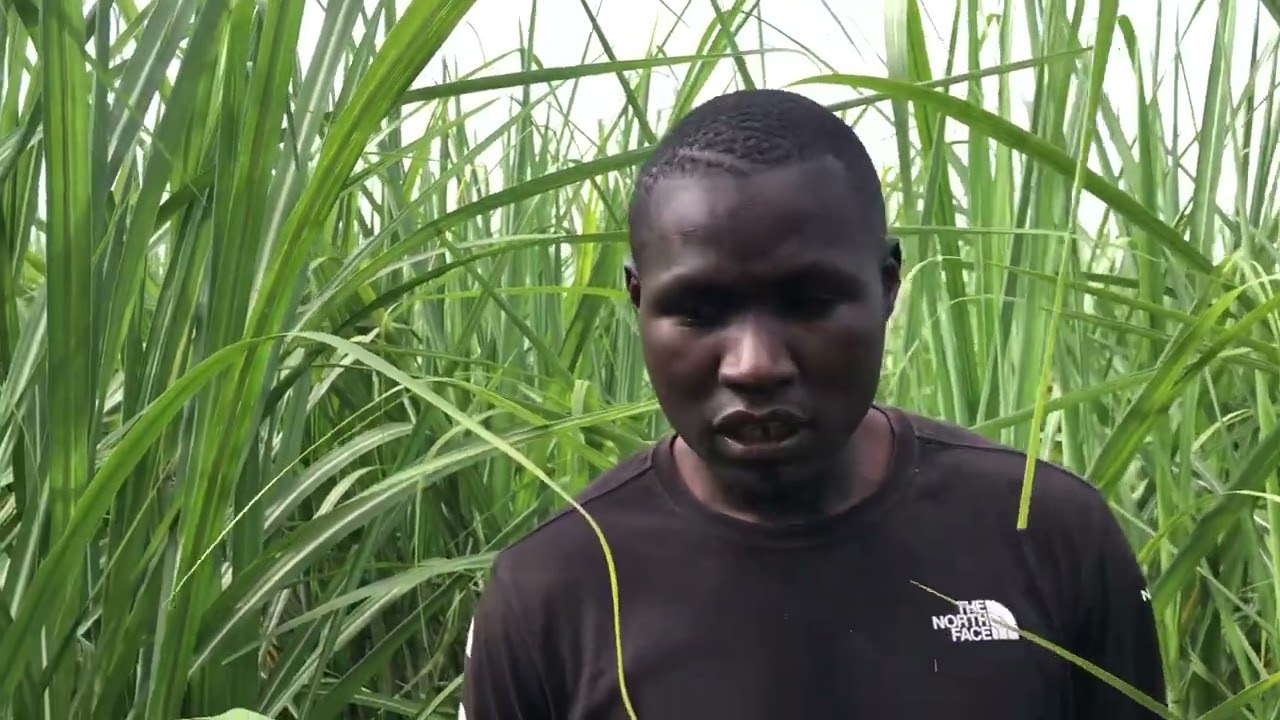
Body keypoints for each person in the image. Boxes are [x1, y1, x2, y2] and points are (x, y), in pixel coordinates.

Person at [458, 88, 1166, 719]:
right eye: (701, 310)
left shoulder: (1049, 535)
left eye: (810, 302)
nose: (756, 365)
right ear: (639, 302)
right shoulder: (551, 592)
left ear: (886, 287)